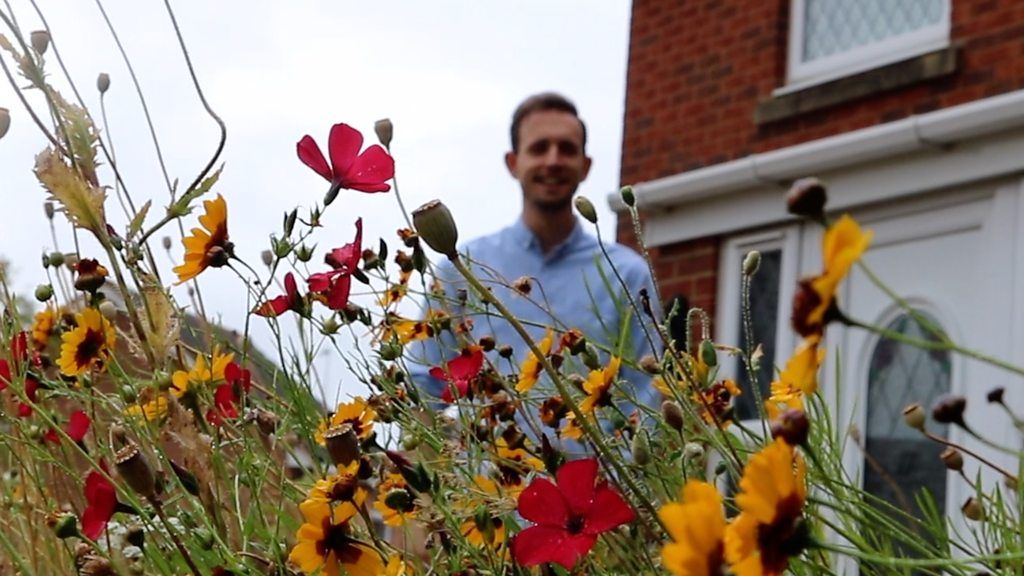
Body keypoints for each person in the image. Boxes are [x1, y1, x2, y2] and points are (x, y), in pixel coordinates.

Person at [408, 92, 659, 435]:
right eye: (539, 148)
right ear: (513, 162)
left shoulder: (627, 274)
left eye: (567, 149)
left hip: (603, 483)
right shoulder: (461, 269)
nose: (553, 160)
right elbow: (424, 388)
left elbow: (651, 397)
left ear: (585, 166)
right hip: (492, 482)